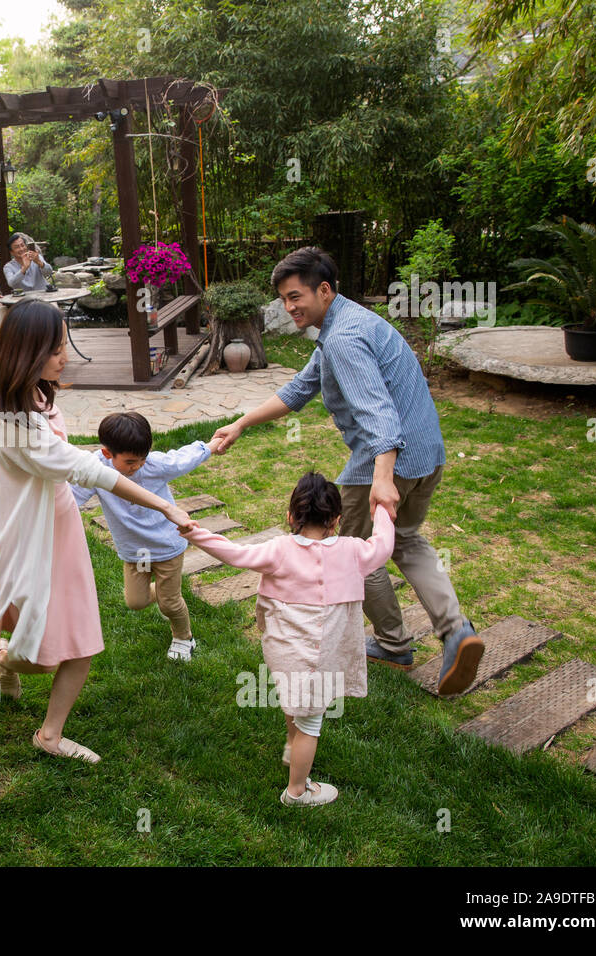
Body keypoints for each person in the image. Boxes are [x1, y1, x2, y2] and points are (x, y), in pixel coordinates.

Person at [208, 246, 482, 696]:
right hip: (428, 454)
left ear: (325, 289)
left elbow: (378, 415)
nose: (289, 307)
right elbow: (301, 387)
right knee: (407, 540)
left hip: (388, 459)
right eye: (283, 299)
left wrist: (381, 477)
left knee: (356, 553)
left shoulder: (344, 339)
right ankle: (456, 630)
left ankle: (394, 644)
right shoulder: (350, 323)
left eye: (296, 296)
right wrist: (240, 423)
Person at [0, 301, 195, 764]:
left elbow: (64, 457)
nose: (66, 356)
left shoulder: (27, 395)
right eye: (57, 348)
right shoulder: (16, 423)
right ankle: (15, 677)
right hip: (37, 531)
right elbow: (83, 470)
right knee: (54, 642)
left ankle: (38, 714)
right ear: (28, 352)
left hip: (51, 524)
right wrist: (164, 504)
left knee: (71, 637)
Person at [182, 472, 395, 806]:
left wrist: (195, 533)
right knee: (311, 721)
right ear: (337, 520)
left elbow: (233, 553)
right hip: (320, 659)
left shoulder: (279, 549)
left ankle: (290, 746)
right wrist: (382, 507)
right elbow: (384, 544)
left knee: (294, 700)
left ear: (291, 516)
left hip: (283, 653)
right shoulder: (353, 552)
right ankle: (296, 791)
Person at [69, 411, 212, 662]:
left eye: (142, 459)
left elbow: (181, 459)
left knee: (169, 604)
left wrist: (210, 446)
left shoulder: (154, 465)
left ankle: (183, 637)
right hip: (135, 552)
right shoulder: (97, 470)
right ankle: (168, 591)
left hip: (166, 546)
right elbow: (70, 498)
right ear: (107, 454)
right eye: (131, 462)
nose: (138, 467)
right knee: (136, 601)